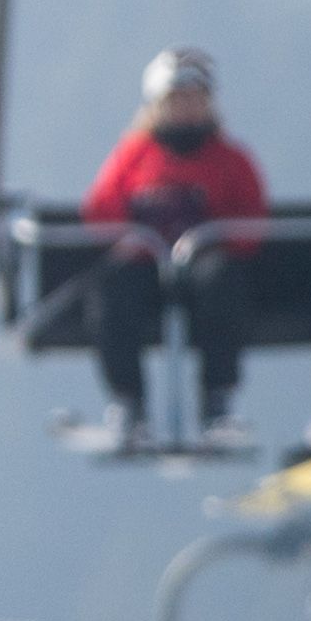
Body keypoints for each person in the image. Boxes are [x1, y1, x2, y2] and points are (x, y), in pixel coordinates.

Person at [83, 49, 266, 447]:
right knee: (113, 288)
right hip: (146, 266)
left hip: (202, 267)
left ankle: (217, 400)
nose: (185, 108)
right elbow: (100, 211)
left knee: (223, 282)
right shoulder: (132, 157)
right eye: (174, 99)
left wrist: (211, 239)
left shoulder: (230, 160)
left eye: (193, 98)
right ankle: (129, 402)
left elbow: (252, 218)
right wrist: (137, 236)